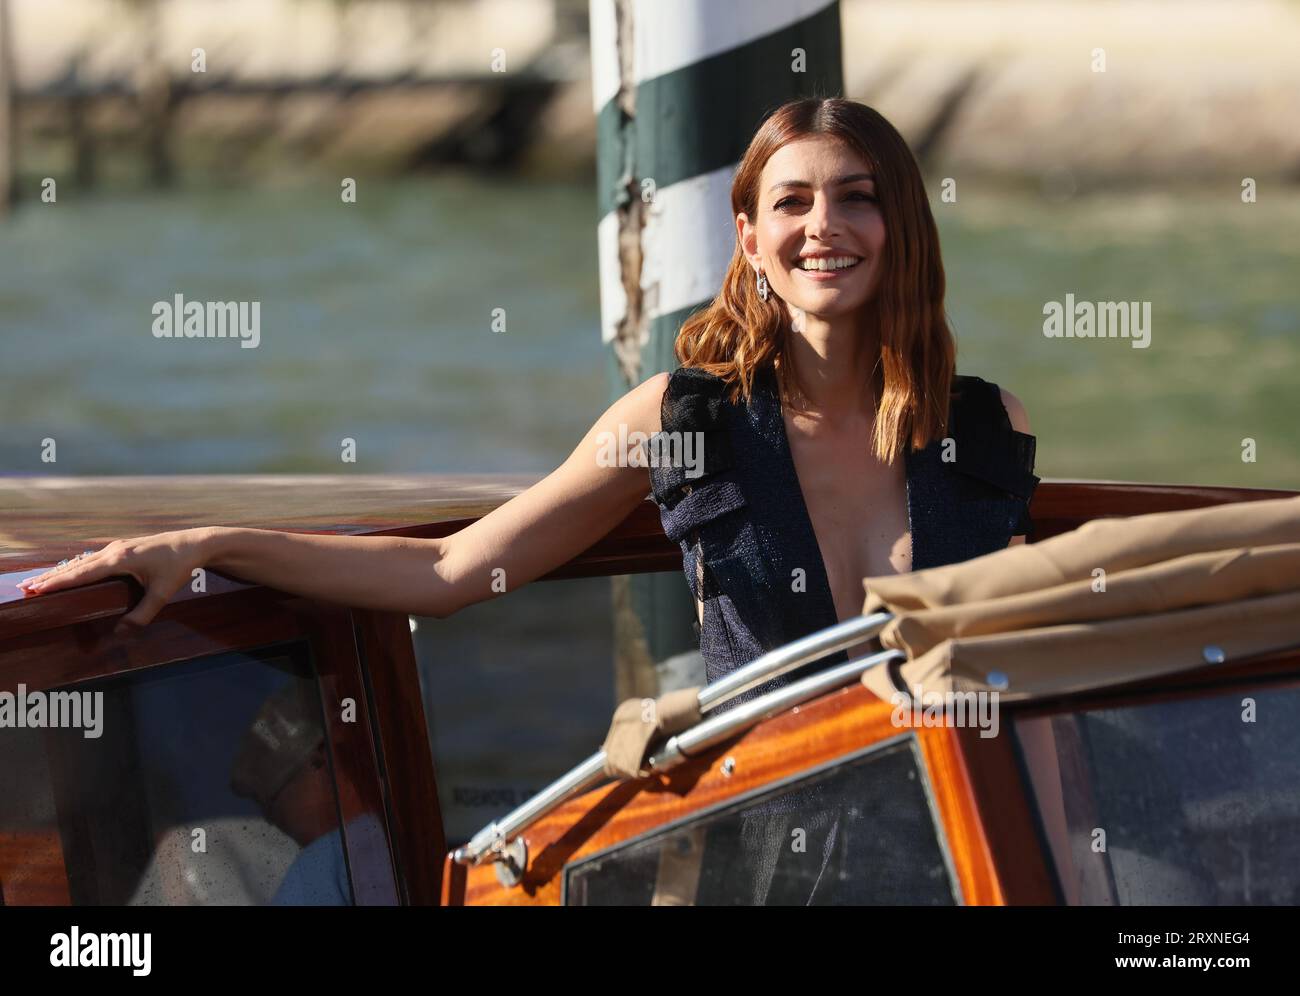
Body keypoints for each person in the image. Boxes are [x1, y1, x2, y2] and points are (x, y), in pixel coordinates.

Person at [19, 98, 1038, 902]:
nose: (824, 227)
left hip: (974, 849)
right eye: (792, 202)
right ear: (748, 232)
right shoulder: (682, 418)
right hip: (774, 865)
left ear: (898, 222)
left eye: (856, 197)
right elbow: (449, 570)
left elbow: (1042, 674)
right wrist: (208, 542)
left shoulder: (989, 431)